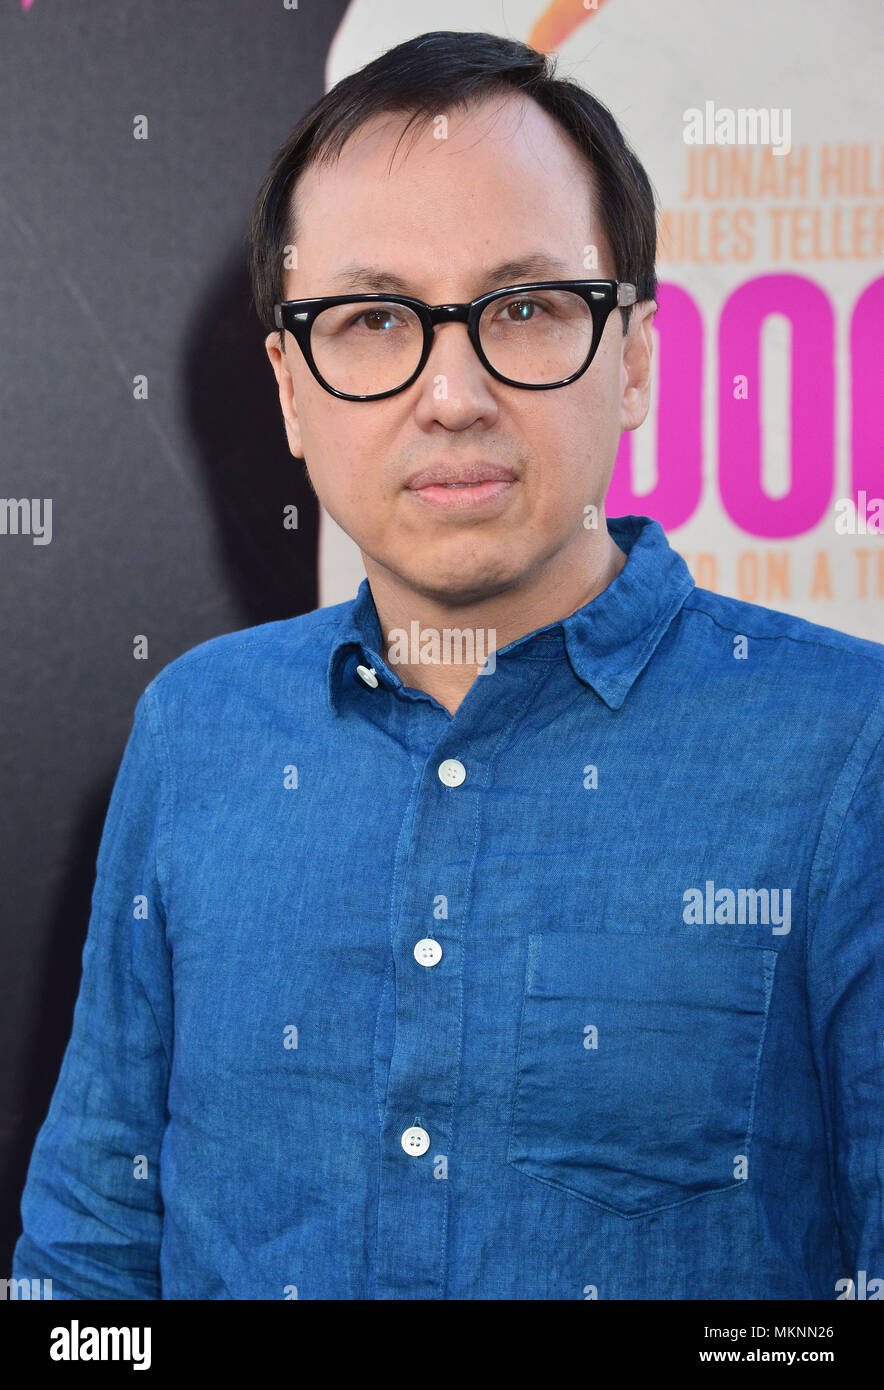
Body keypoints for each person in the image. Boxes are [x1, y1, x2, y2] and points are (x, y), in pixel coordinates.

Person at [13, 30, 883, 1301]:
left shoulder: (843, 748)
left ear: (633, 354)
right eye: (372, 321)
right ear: (292, 392)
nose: (453, 392)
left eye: (523, 308)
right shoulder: (197, 728)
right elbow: (89, 1254)